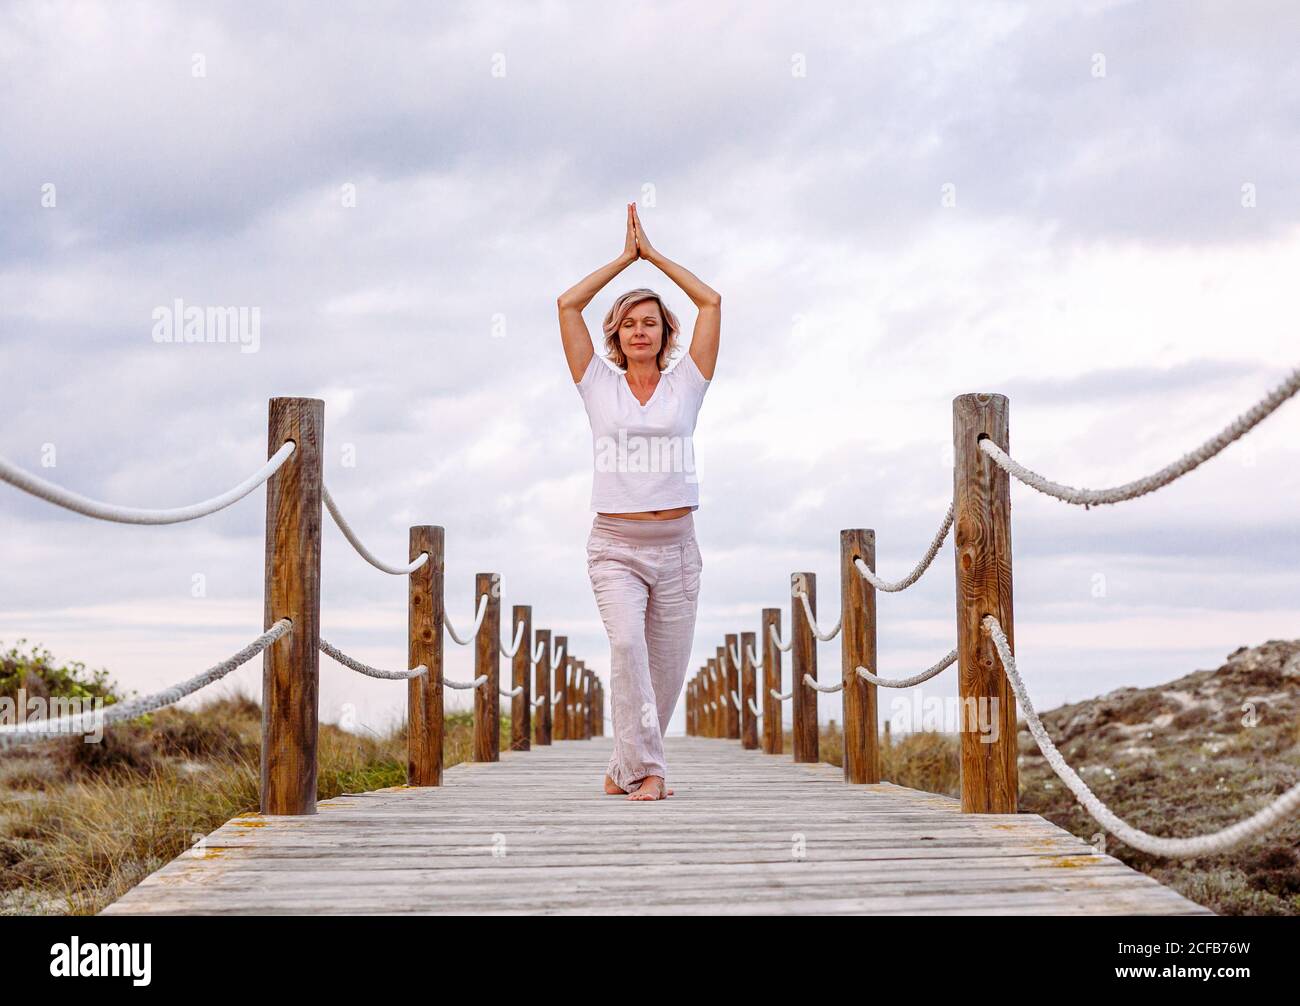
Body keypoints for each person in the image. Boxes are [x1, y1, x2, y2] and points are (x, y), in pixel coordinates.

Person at [557, 203, 721, 801]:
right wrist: (624, 261)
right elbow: (566, 305)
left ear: (664, 331)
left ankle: (622, 765)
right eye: (629, 324)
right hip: (616, 548)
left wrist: (655, 258)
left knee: (665, 675)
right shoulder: (596, 383)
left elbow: (712, 303)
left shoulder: (688, 384)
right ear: (617, 335)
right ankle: (649, 772)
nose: (641, 331)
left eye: (650, 321)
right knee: (627, 648)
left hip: (678, 550)